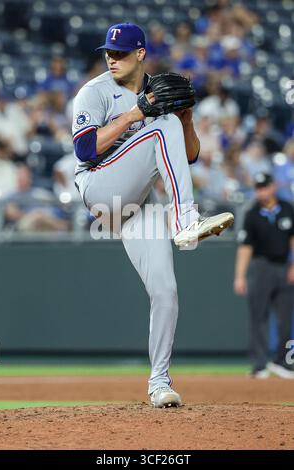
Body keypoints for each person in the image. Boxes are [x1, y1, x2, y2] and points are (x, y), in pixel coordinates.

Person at [73, 23, 234, 408]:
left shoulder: (157, 92)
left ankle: (159, 383)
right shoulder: (93, 92)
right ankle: (185, 221)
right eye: (108, 52)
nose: (111, 57)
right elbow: (84, 149)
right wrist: (135, 114)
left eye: (121, 52)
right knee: (160, 127)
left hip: (136, 203)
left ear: (141, 54)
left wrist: (187, 118)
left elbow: (191, 155)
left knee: (166, 290)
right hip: (98, 188)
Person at [234, 173, 294, 378]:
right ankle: (260, 365)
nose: (261, 191)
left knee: (286, 319)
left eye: (264, 187)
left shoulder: (287, 209)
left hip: (284, 266)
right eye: (258, 188)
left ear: (273, 187)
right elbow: (245, 248)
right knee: (258, 316)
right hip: (261, 267)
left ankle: (283, 363)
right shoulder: (252, 214)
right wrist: (240, 276)